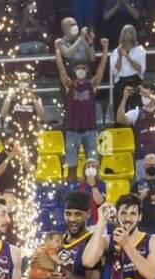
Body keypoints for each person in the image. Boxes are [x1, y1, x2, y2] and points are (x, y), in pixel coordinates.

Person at [56, 38, 109, 181]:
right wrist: (57, 51)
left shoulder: (91, 85)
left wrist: (105, 50)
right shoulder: (70, 85)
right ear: (74, 70)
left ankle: (93, 191)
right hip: (72, 131)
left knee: (93, 167)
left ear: (87, 70)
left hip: (90, 131)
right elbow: (61, 70)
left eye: (83, 68)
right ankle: (72, 193)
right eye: (78, 68)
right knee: (71, 168)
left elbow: (101, 70)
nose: (80, 70)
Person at [115, 83, 155, 161]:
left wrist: (150, 96)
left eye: (145, 93)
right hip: (142, 157)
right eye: (142, 94)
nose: (144, 96)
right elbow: (120, 119)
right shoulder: (136, 113)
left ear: (153, 93)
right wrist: (124, 97)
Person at [108, 25, 145, 116]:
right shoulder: (116, 52)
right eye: (125, 41)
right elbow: (115, 71)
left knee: (136, 110)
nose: (127, 43)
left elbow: (141, 69)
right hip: (121, 81)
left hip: (135, 80)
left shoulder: (140, 50)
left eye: (129, 41)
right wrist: (120, 56)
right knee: (121, 110)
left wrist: (126, 56)